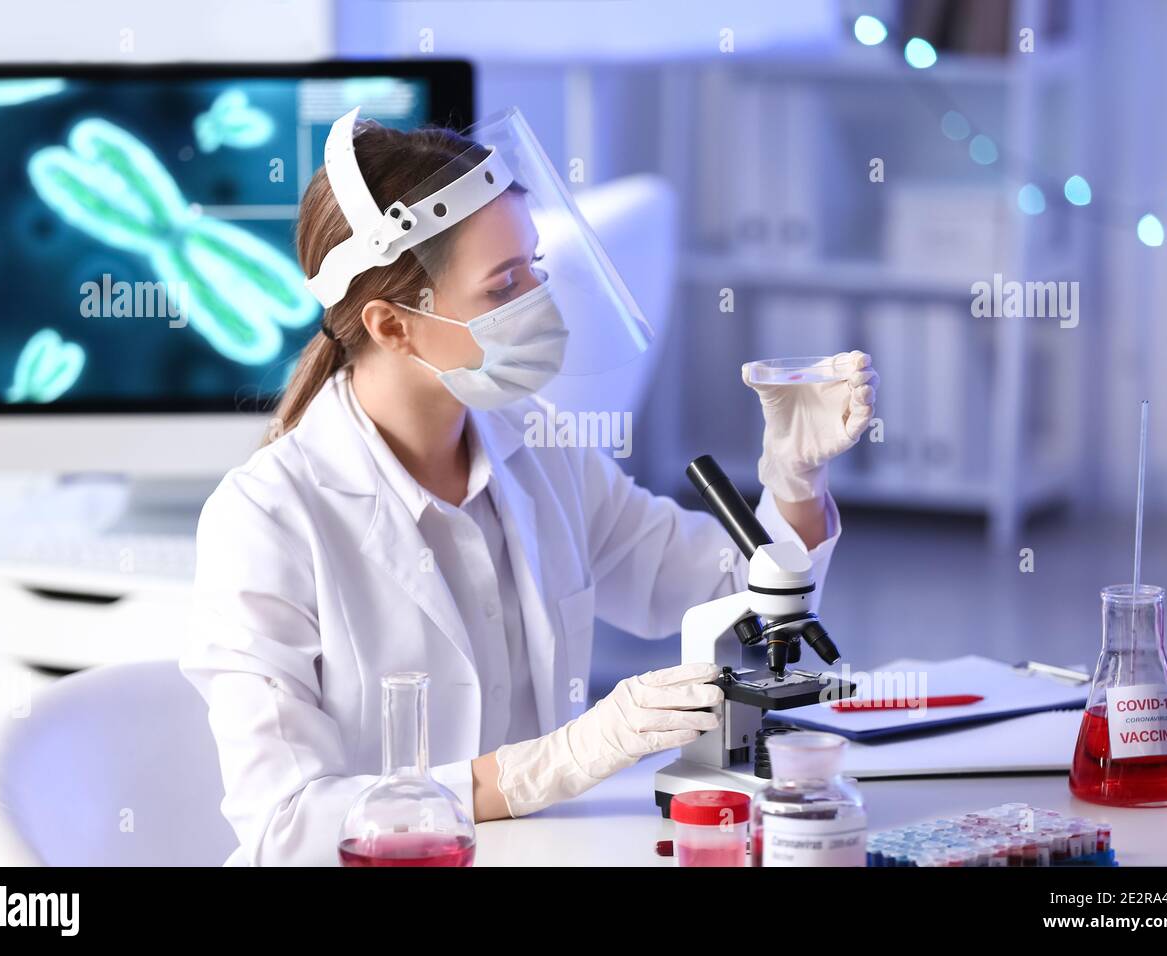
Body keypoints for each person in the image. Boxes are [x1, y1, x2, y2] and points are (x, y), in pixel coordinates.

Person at [180, 108, 877, 866]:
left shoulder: (535, 447)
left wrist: (793, 477)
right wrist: (553, 764)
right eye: (502, 285)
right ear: (391, 325)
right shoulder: (266, 519)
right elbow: (287, 827)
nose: (539, 305)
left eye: (534, 270)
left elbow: (715, 587)